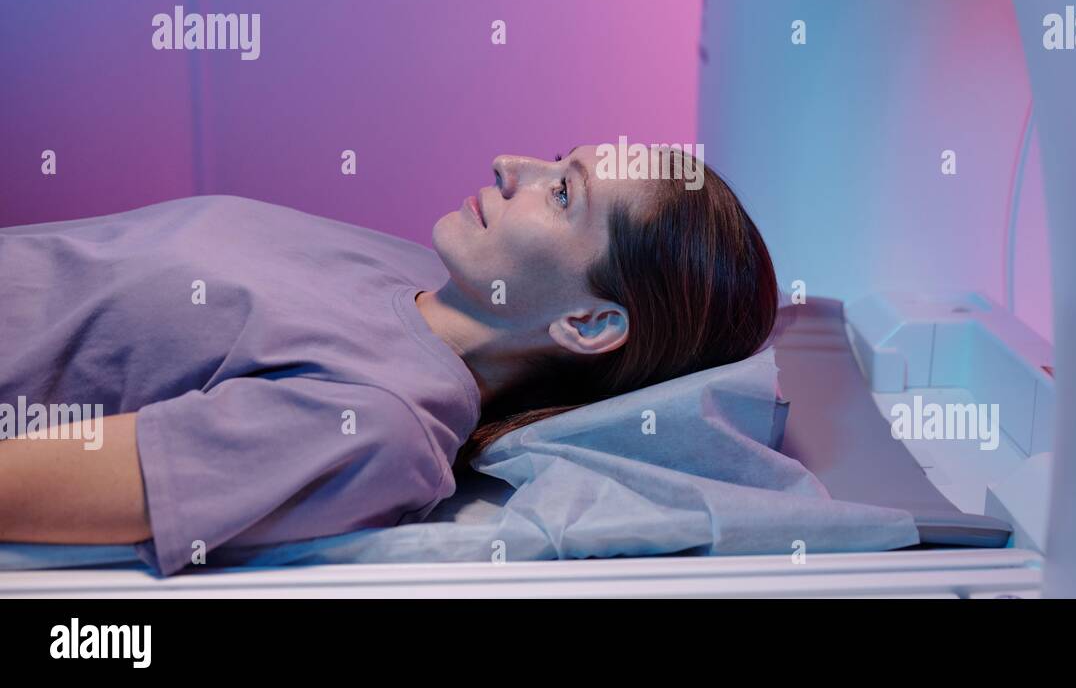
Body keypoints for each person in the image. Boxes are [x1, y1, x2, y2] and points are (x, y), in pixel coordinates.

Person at [0, 145, 778, 575]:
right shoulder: (417, 277)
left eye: (563, 195)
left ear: (587, 323)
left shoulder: (376, 424)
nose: (513, 166)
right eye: (554, 161)